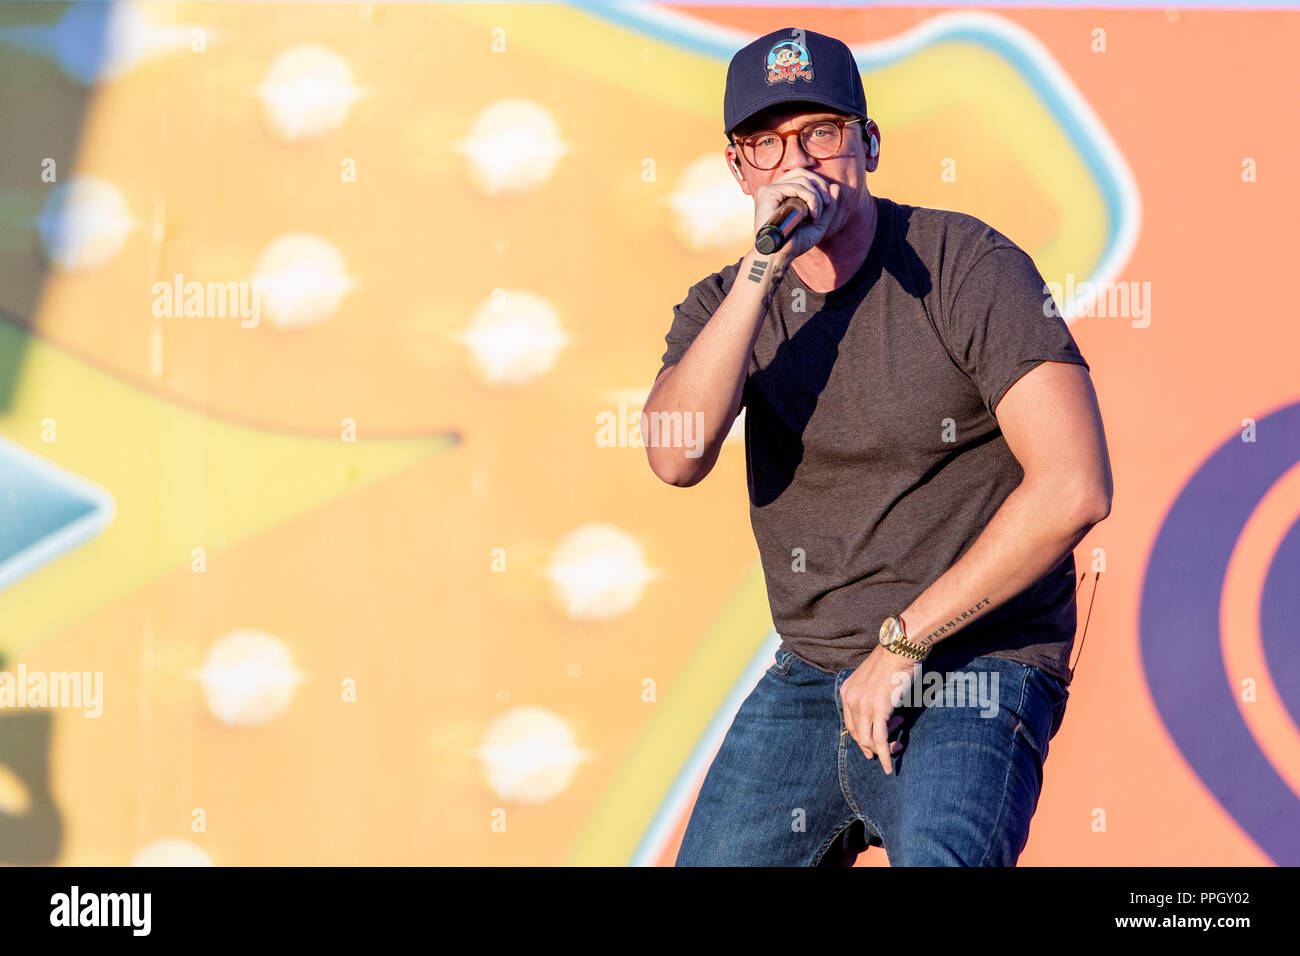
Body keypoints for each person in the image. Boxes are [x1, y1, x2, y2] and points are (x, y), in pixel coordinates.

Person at [644, 26, 1113, 866]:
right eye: (766, 143)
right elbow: (677, 455)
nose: (798, 163)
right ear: (738, 169)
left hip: (976, 662)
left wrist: (904, 643)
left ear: (867, 143)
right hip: (814, 672)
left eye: (820, 134)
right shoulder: (725, 307)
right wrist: (762, 268)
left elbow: (1074, 485)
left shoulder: (964, 264)